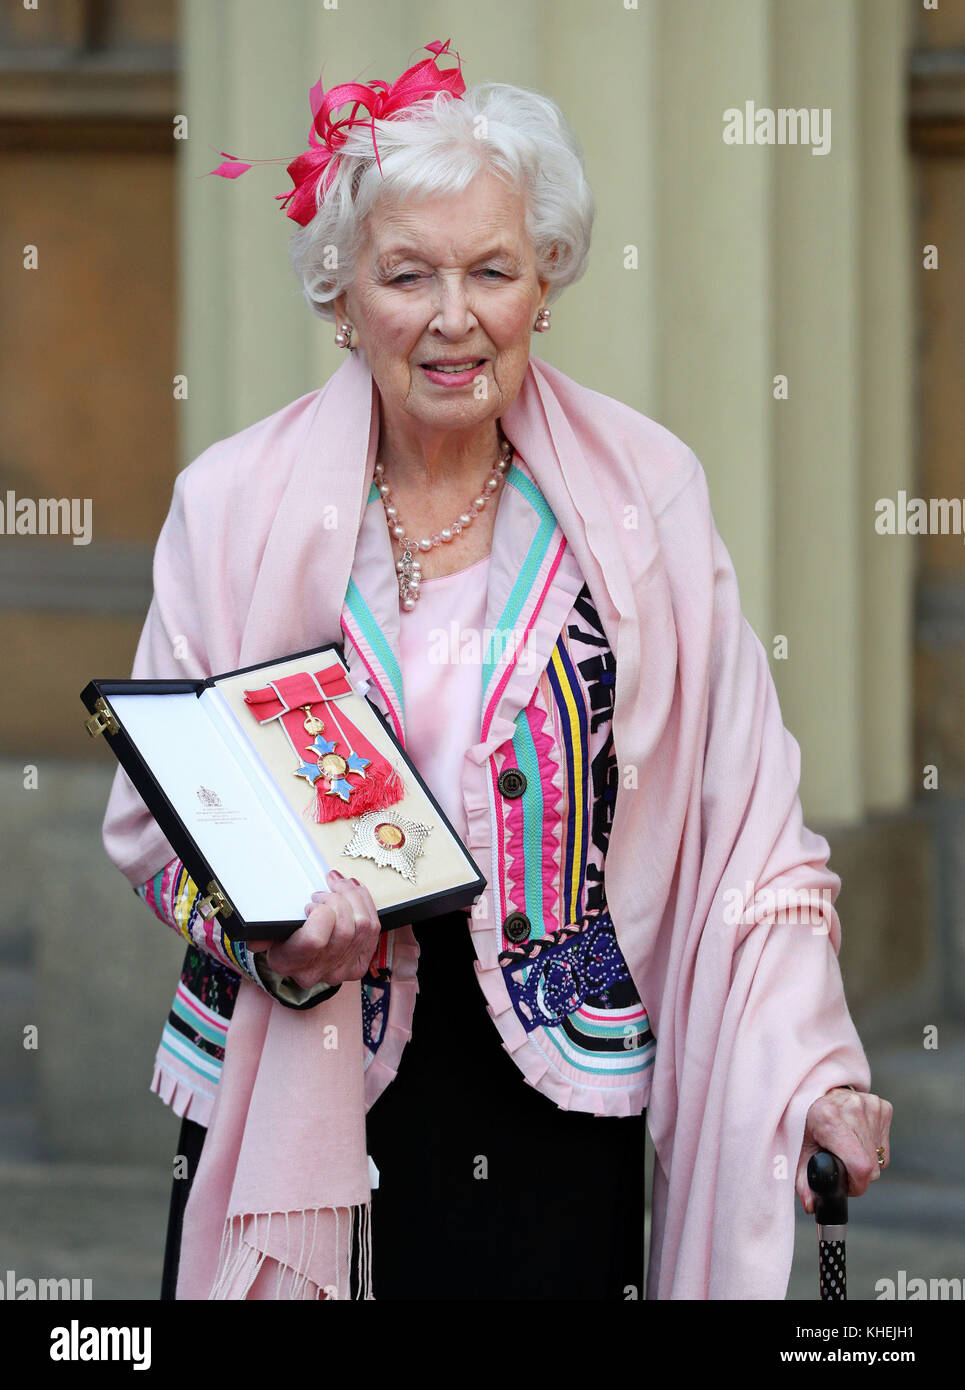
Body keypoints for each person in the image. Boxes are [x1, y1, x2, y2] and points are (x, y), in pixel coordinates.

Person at [101, 38, 892, 1301]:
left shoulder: (644, 497)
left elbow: (749, 824)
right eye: (407, 273)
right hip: (293, 1075)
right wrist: (272, 933)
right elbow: (155, 829)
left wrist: (815, 1070)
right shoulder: (230, 506)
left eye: (492, 269)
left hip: (553, 1110)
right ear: (343, 294)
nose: (452, 315)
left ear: (545, 286)